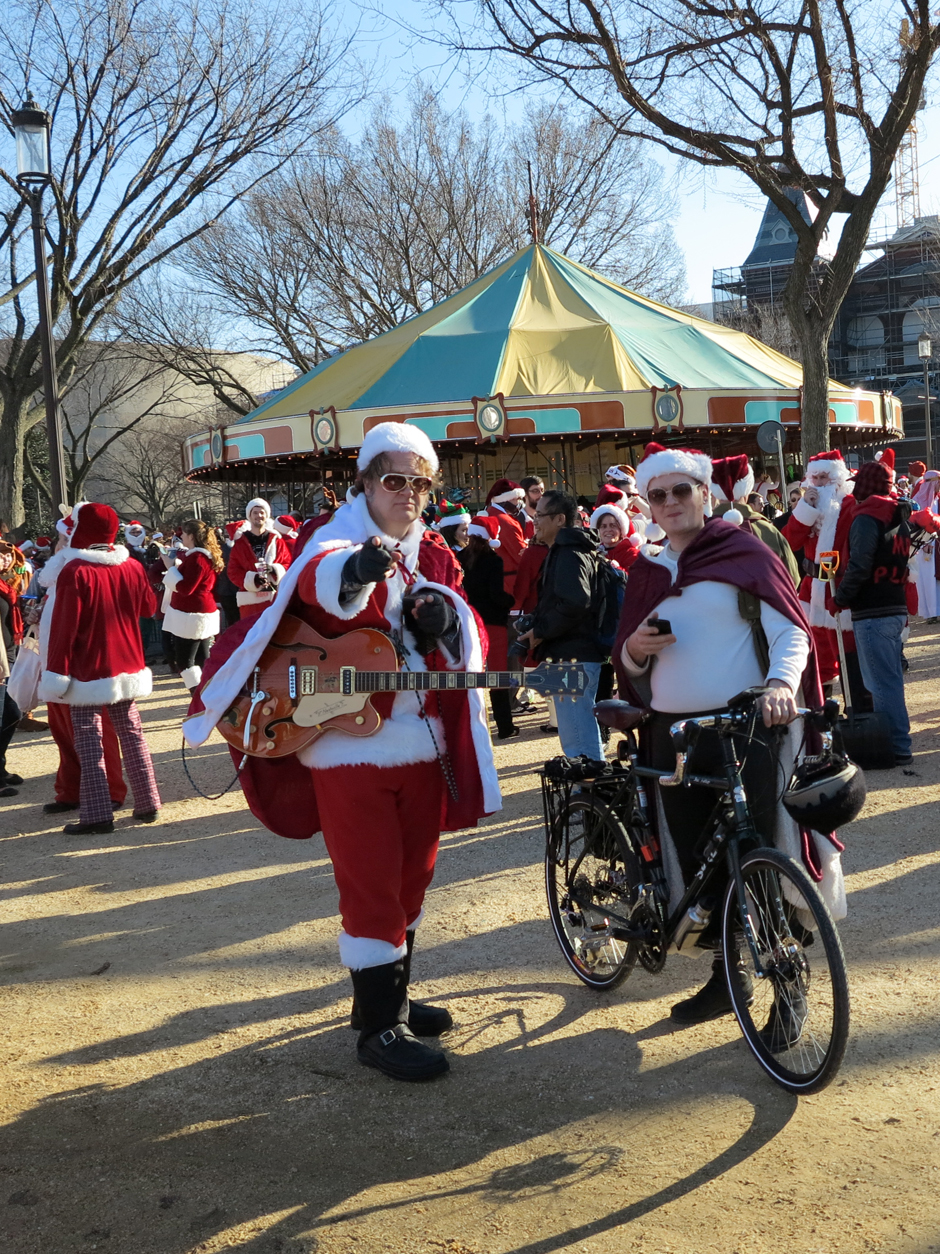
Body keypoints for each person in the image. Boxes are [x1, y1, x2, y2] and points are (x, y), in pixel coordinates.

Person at [185, 422, 500, 1082]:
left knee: (414, 875)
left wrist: (445, 614)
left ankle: (394, 1000)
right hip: (347, 747)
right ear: (365, 483)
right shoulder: (334, 536)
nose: (409, 494)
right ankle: (378, 1028)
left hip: (421, 740)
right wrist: (358, 572)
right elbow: (318, 581)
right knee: (370, 882)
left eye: (420, 483)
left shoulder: (434, 548)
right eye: (395, 480)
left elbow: (462, 617)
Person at [614, 443, 842, 1027]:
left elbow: (790, 631)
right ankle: (725, 978)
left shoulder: (744, 551)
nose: (670, 503)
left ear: (706, 494)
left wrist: (780, 685)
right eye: (658, 494)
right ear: (648, 502)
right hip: (671, 735)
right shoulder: (645, 570)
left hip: (747, 727)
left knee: (762, 851)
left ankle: (789, 987)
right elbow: (627, 661)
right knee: (699, 863)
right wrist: (635, 652)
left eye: (681, 491)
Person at [37, 501, 161, 835]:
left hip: (88, 667)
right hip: (129, 661)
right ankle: (148, 801)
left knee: (88, 738)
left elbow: (65, 630)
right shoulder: (132, 566)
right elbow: (149, 607)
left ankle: (96, 813)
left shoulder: (75, 571)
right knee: (132, 733)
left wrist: (56, 674)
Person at [833, 458, 914, 766]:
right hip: (893, 605)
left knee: (880, 684)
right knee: (889, 680)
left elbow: (860, 564)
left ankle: (897, 747)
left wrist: (841, 597)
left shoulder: (868, 517)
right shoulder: (899, 515)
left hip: (873, 610)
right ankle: (899, 742)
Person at [517, 490, 606, 761]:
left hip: (574, 655)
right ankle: (587, 795)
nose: (535, 519)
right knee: (577, 733)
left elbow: (576, 602)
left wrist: (541, 631)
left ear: (559, 519)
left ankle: (589, 795)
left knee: (578, 737)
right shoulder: (568, 549)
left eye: (540, 514)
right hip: (574, 652)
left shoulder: (569, 552)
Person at [781, 449, 858, 685]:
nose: (819, 483)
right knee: (817, 656)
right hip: (812, 588)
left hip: (840, 586)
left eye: (824, 477)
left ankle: (854, 704)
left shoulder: (850, 505)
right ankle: (824, 710)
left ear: (837, 478)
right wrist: (805, 509)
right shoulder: (805, 508)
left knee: (846, 653)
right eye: (815, 478)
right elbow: (789, 542)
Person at [458, 515, 518, 740]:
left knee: (469, 673)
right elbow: (496, 594)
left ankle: (471, 727)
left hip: (468, 620)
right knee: (498, 674)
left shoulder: (460, 557)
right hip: (493, 621)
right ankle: (504, 726)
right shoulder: (494, 560)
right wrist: (510, 601)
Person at [710, 454, 800, 585]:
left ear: (714, 493)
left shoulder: (699, 533)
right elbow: (792, 579)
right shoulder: (768, 530)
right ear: (747, 492)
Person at [162, 519, 223, 691]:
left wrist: (170, 568)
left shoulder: (197, 558)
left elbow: (186, 588)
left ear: (191, 536)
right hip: (199, 612)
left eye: (183, 534)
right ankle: (210, 694)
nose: (181, 537)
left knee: (185, 662)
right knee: (202, 659)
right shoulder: (201, 557)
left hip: (191, 614)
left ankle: (200, 698)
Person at [227, 499, 292, 618]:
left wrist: (273, 570)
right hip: (249, 601)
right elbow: (233, 571)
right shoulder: (240, 543)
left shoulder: (276, 540)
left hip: (274, 598)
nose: (259, 516)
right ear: (249, 516)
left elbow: (287, 563)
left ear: (267, 515)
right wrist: (253, 579)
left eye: (262, 513)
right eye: (255, 513)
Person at [485, 479, 527, 595]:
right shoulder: (506, 521)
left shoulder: (489, 514)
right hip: (510, 582)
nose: (519, 502)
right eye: (517, 498)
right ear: (506, 498)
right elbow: (520, 554)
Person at [910, 469, 940, 621]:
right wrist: (924, 542)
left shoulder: (938, 499)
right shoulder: (918, 501)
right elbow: (914, 524)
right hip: (924, 546)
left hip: (937, 544)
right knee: (927, 578)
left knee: (937, 578)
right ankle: (930, 613)